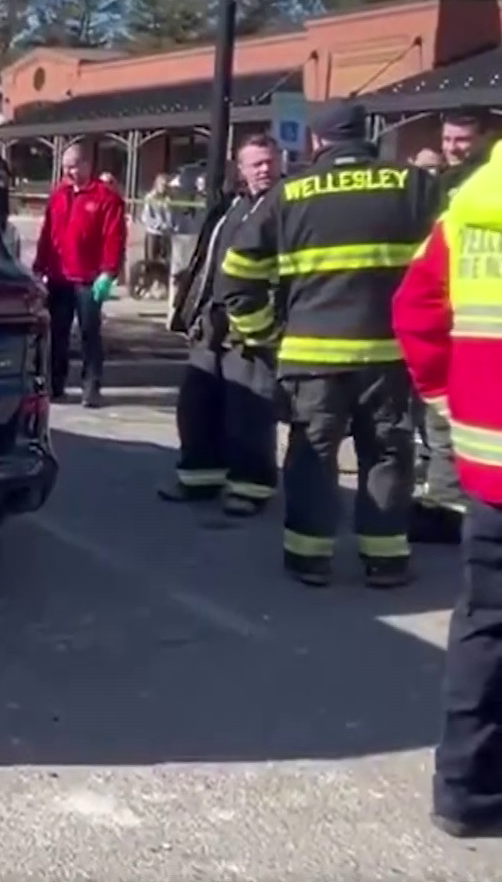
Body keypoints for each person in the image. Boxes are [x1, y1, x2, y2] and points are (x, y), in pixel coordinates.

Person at [220, 101, 436, 588]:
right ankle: (385, 559)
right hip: (389, 356)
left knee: (314, 453)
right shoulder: (414, 185)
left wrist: (263, 336)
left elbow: (237, 277)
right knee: (386, 452)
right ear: (368, 135)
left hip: (311, 357)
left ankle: (309, 558)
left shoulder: (289, 194)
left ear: (317, 141)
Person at [391, 149, 502, 839]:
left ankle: (464, 790)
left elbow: (415, 308)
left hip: (490, 458)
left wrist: (448, 400)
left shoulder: (472, 203)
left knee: (487, 623)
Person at [159, 135, 281, 517]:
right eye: (255, 163)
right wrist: (188, 311)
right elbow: (205, 262)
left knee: (249, 408)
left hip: (251, 325)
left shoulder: (288, 206)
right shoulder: (231, 207)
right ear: (240, 169)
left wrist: (267, 325)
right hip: (210, 321)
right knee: (197, 402)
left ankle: (249, 487)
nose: (264, 169)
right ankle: (200, 477)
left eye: (269, 161)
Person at [416, 112, 494, 535]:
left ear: (485, 136)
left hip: (462, 318)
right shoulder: (446, 181)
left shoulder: (471, 184)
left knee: (448, 419)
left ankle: (448, 505)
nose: (453, 146)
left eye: (462, 139)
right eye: (447, 138)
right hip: (457, 313)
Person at [32, 140, 126, 408]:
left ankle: (91, 386)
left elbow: (114, 237)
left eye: (74, 166)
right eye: (65, 167)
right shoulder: (59, 195)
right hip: (59, 277)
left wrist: (108, 272)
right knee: (57, 333)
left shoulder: (105, 197)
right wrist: (40, 267)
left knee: (89, 333)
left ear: (87, 164)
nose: (69, 172)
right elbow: (47, 235)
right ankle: (55, 384)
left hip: (89, 279)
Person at [138, 172, 174, 297]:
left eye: (166, 185)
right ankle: (148, 287)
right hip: (153, 233)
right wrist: (158, 225)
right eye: (162, 184)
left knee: (164, 262)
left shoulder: (168, 199)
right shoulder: (150, 198)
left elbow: (171, 216)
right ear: (157, 184)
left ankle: (161, 286)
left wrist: (169, 226)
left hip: (165, 234)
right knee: (151, 261)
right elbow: (145, 217)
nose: (164, 187)